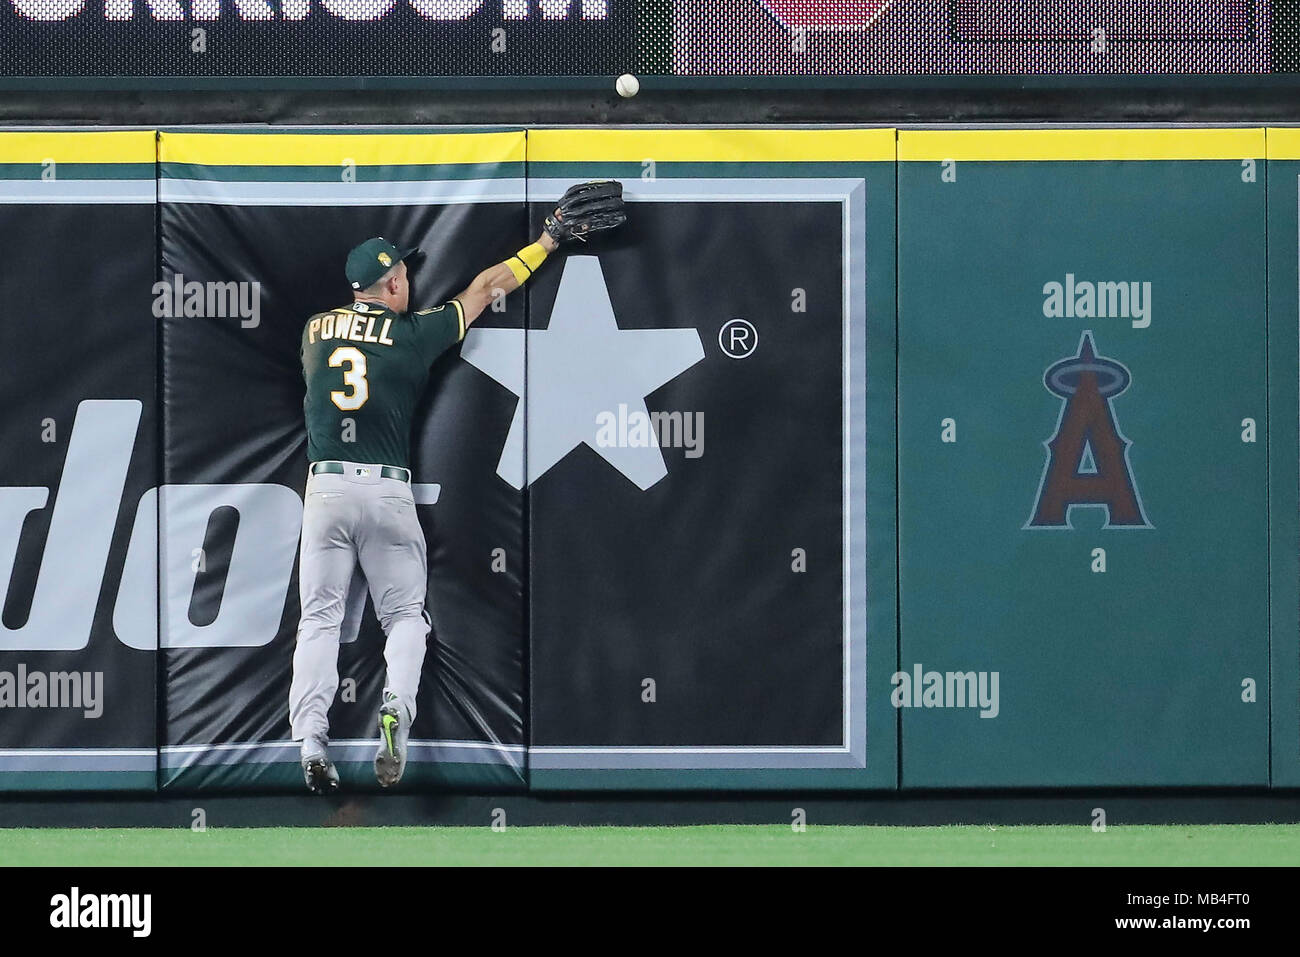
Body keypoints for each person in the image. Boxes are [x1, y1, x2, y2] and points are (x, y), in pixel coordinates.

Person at [288, 181, 625, 793]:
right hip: (387, 491)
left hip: (326, 492)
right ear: (391, 284)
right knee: (406, 619)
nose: (410, 282)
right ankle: (396, 709)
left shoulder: (314, 331)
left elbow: (342, 356)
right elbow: (486, 288)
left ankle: (312, 742)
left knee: (318, 621)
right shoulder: (414, 336)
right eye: (404, 276)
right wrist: (549, 239)